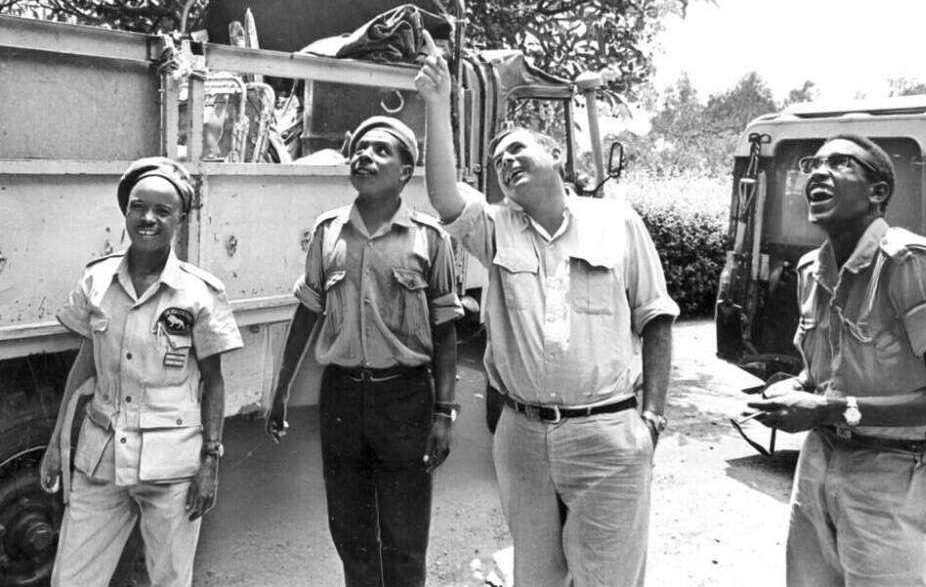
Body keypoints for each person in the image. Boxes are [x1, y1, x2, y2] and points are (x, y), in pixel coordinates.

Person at [417, 44, 679, 587]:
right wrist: (437, 104)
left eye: (517, 149)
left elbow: (656, 318)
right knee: (535, 577)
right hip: (523, 436)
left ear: (556, 154)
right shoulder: (496, 228)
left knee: (608, 578)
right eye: (498, 162)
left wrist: (652, 418)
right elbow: (444, 197)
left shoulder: (617, 221)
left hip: (606, 431)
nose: (506, 162)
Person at [747, 134, 926, 587]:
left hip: (893, 473)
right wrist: (798, 387)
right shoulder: (812, 270)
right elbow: (827, 372)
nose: (819, 172)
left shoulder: (912, 262)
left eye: (840, 163)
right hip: (818, 461)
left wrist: (829, 409)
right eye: (813, 164)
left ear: (878, 191)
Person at [265, 114, 463, 587]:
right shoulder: (328, 232)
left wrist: (443, 412)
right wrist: (280, 390)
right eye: (360, 149)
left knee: (405, 536)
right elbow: (306, 314)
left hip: (406, 399)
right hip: (343, 397)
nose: (365, 156)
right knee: (350, 532)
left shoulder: (429, 238)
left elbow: (446, 331)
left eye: (381, 150)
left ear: (405, 172)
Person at [39, 157, 244, 587]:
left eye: (162, 211)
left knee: (169, 579)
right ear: (126, 211)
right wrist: (57, 443)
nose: (148, 218)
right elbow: (84, 365)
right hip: (101, 458)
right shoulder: (97, 281)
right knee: (70, 579)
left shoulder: (199, 293)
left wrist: (211, 461)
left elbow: (214, 383)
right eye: (138, 206)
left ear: (180, 219)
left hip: (172, 465)